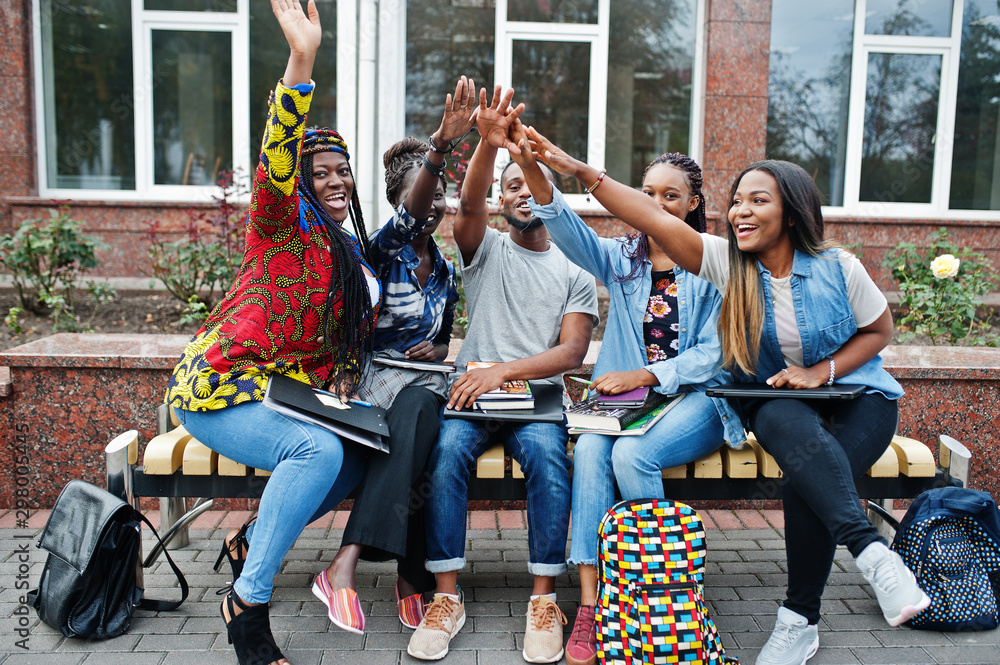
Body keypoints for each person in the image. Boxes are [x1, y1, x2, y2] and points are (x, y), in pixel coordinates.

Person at [520, 126, 930, 665]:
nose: (743, 211)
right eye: (738, 200)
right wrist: (560, 168)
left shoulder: (832, 268)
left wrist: (822, 370)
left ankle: (745, 607)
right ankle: (608, 605)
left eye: (759, 201)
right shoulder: (714, 261)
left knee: (802, 480)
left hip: (816, 398)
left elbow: (875, 333)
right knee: (616, 447)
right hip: (767, 401)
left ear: (792, 211)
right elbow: (627, 222)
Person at [163, 2, 465, 662]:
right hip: (220, 388)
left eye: (341, 170)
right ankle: (247, 601)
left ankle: (250, 537)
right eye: (319, 172)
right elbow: (277, 152)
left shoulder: (354, 253)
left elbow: (412, 222)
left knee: (362, 450)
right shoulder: (280, 224)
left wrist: (439, 149)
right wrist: (301, 61)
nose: (334, 180)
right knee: (319, 454)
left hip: (285, 395)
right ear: (300, 181)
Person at [508, 144, 745, 665]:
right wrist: (530, 165)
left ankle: (662, 592)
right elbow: (566, 226)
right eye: (648, 193)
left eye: (670, 195)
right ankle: (597, 607)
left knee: (631, 456)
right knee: (593, 451)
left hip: (697, 400)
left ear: (691, 204)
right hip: (627, 404)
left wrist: (648, 373)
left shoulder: (712, 261)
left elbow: (717, 353)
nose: (657, 202)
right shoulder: (623, 261)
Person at [406, 87, 599, 663]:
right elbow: (465, 210)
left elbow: (571, 354)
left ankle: (544, 596)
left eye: (530, 181)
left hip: (535, 400)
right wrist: (488, 145)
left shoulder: (575, 269)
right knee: (446, 458)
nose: (522, 191)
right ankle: (446, 596)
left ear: (547, 193)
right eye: (511, 184)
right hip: (471, 394)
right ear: (502, 198)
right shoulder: (485, 248)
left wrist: (503, 372)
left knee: (549, 460)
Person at [318, 129, 468, 633]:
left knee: (422, 419)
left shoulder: (446, 272)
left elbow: (446, 338)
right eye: (422, 194)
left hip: (424, 381)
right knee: (419, 425)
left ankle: (350, 561)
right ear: (399, 202)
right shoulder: (380, 251)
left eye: (439, 193)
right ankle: (408, 578)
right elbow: (408, 217)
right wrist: (439, 152)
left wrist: (440, 349)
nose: (432, 204)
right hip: (378, 384)